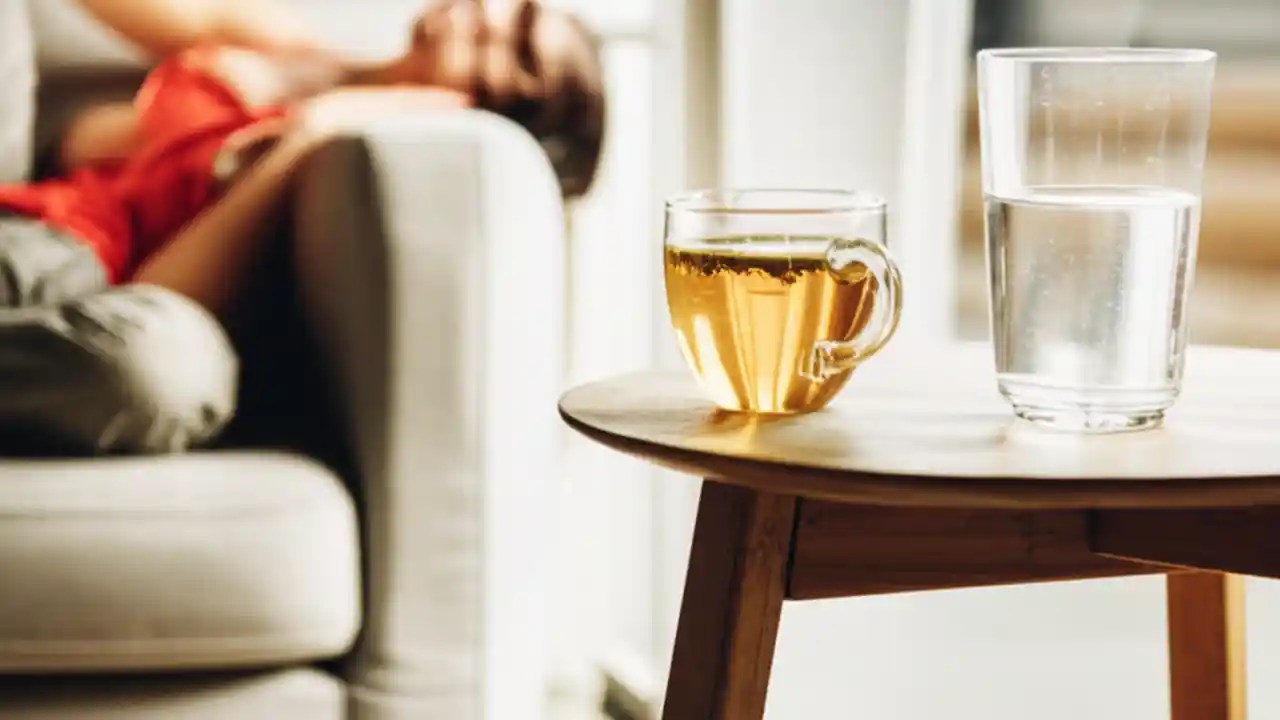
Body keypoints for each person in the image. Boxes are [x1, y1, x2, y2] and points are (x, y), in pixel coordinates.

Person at [0, 0, 605, 454]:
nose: (492, 15)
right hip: (50, 235)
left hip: (116, 315)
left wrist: (305, 138)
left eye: (519, 51)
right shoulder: (286, 47)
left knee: (153, 368)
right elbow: (82, 141)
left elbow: (154, 294)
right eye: (519, 7)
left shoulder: (341, 162)